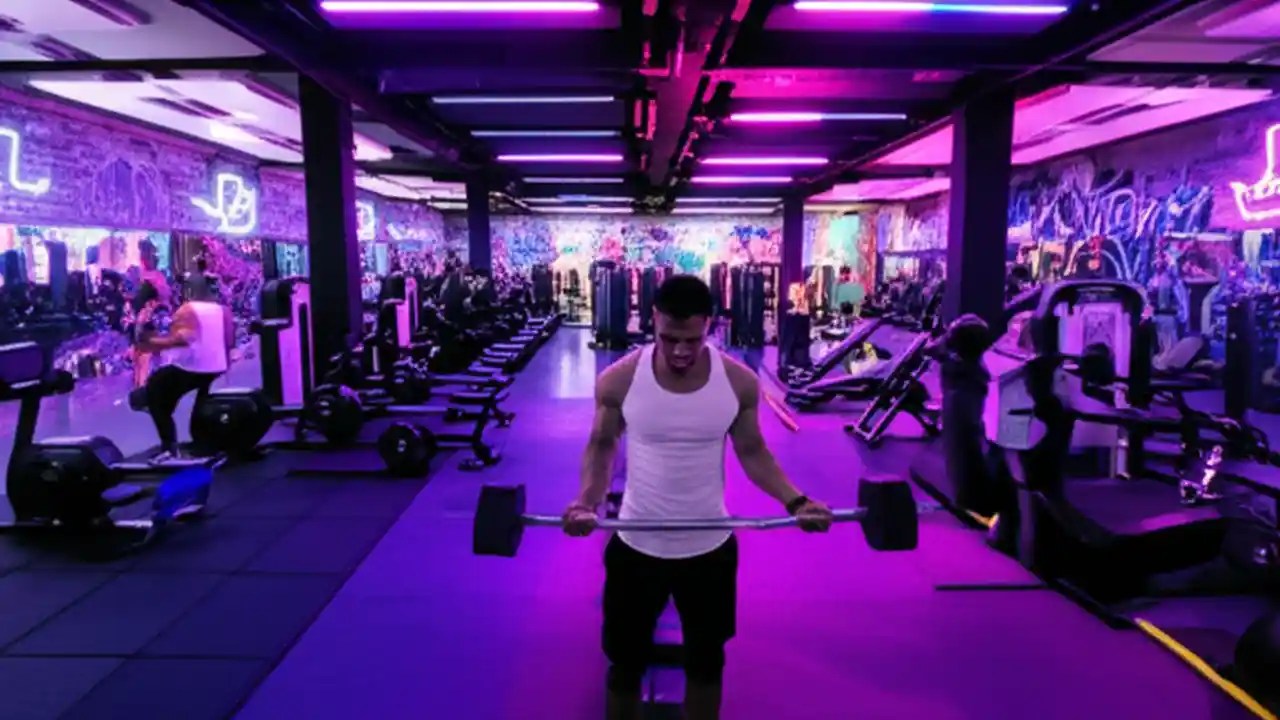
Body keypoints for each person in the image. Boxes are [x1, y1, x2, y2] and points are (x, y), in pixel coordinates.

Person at [563, 274, 834, 720]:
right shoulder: (620, 380)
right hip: (636, 546)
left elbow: (752, 451)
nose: (680, 351)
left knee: (707, 665)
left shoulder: (737, 383)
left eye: (691, 339)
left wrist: (796, 501)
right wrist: (586, 501)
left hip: (709, 550)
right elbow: (602, 444)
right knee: (625, 665)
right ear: (652, 320)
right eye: (669, 338)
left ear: (709, 324)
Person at [135, 279, 233, 461]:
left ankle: (169, 446)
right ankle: (202, 443)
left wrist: (151, 342)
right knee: (198, 398)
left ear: (188, 292)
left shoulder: (187, 309)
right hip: (217, 367)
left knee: (156, 389)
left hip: (192, 368)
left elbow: (181, 339)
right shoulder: (223, 310)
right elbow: (229, 341)